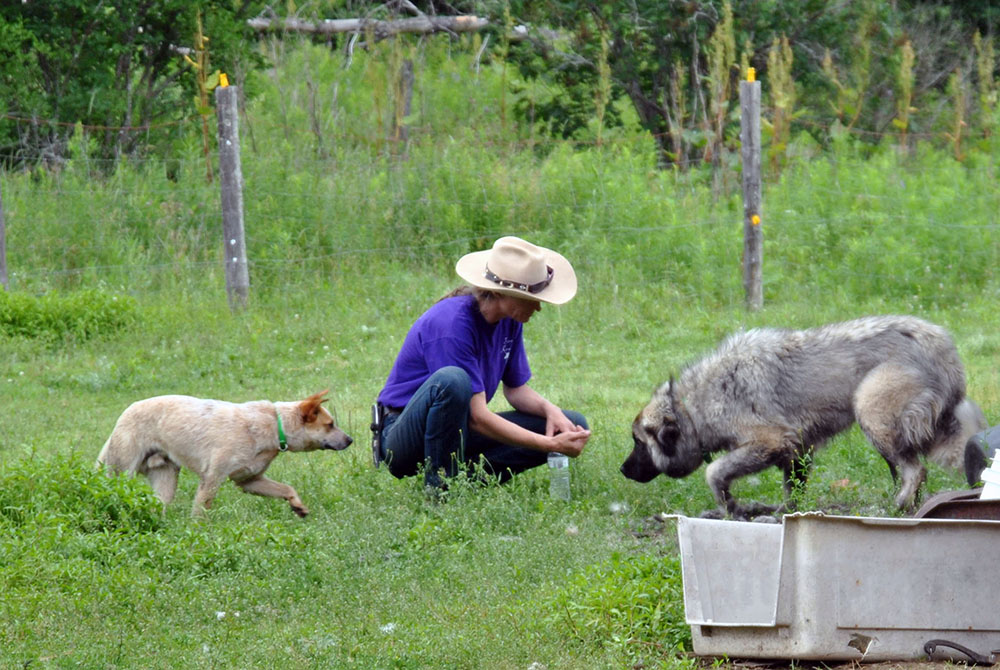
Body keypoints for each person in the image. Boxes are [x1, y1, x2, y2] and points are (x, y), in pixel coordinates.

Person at [373, 236, 591, 490]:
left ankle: (465, 484)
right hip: (402, 437)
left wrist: (550, 410)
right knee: (453, 380)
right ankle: (440, 488)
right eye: (531, 297)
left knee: (571, 423)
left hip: (456, 429)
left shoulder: (510, 320)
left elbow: (516, 390)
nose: (539, 307)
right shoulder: (451, 324)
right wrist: (549, 445)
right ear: (500, 293)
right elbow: (477, 418)